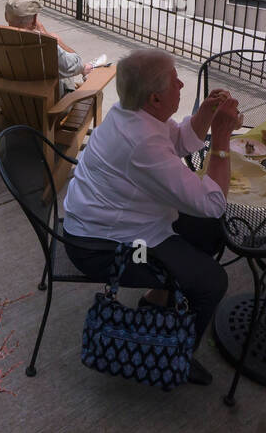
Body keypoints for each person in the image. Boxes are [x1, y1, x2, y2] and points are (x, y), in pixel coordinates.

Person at [62, 50, 242, 386]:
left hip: (111, 218)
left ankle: (157, 298)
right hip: (98, 245)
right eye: (175, 81)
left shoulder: (132, 113)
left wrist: (204, 114)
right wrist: (220, 139)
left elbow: (180, 141)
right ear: (155, 98)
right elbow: (213, 202)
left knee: (212, 232)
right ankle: (177, 355)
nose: (182, 83)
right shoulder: (141, 141)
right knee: (213, 281)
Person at [3, 0, 85, 96]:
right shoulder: (45, 46)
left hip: (9, 102)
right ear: (34, 20)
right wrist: (56, 41)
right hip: (48, 108)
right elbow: (77, 65)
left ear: (6, 17)